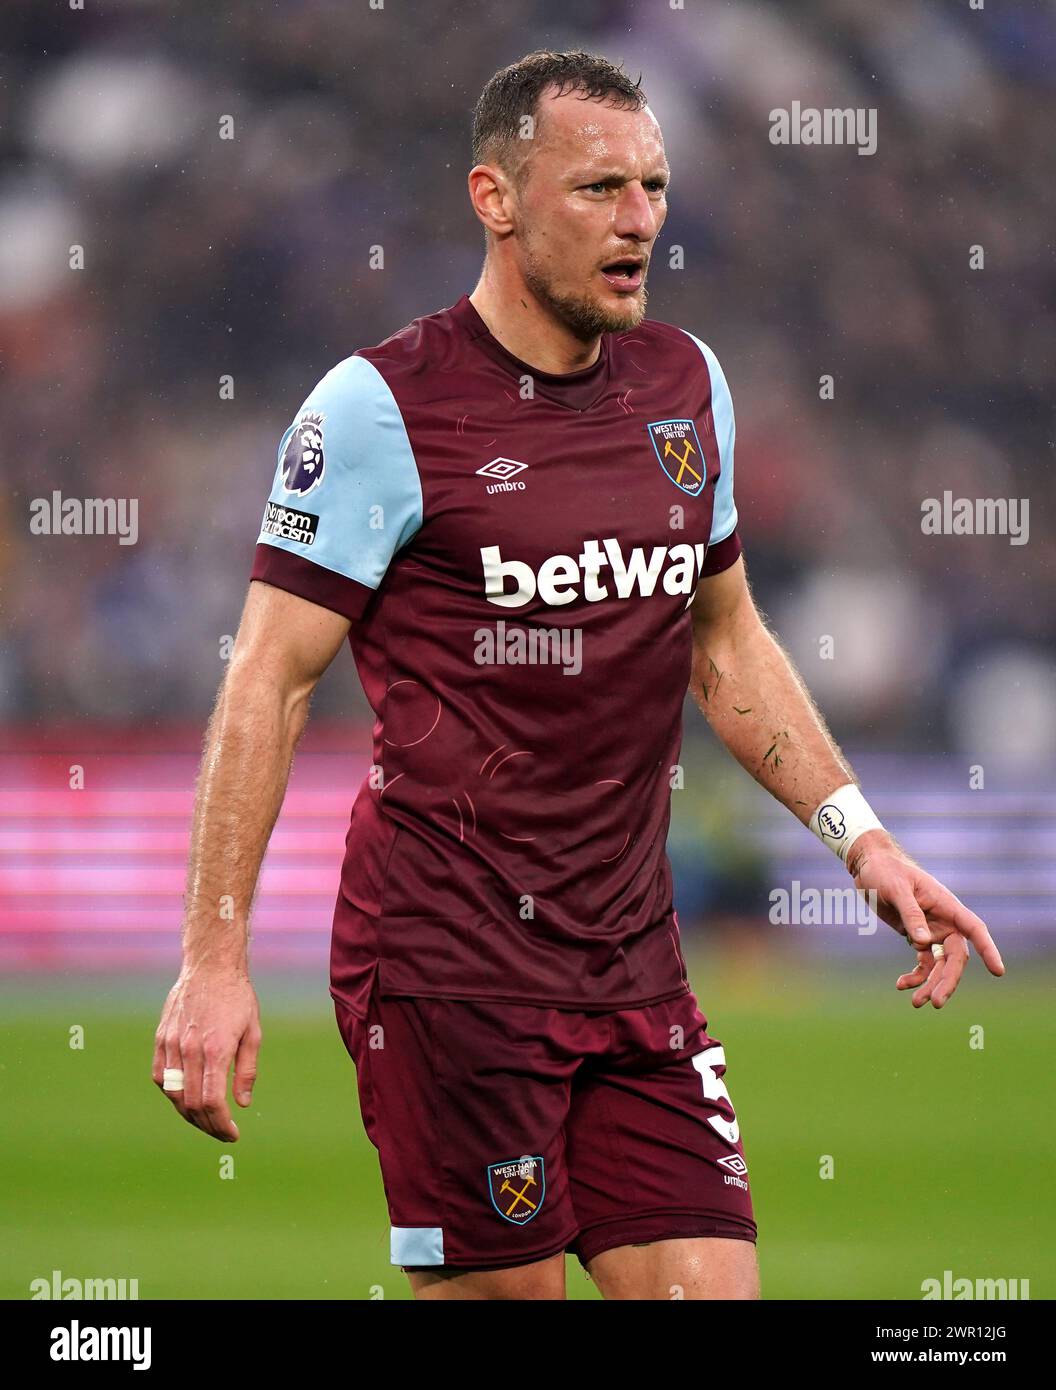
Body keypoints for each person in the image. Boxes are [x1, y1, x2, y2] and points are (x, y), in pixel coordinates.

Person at [152, 49, 1004, 1301]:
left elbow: (723, 639)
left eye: (654, 188)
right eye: (601, 188)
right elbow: (267, 681)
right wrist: (213, 960)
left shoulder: (685, 385)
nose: (642, 220)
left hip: (632, 960)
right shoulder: (380, 408)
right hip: (448, 966)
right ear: (495, 198)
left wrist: (860, 838)